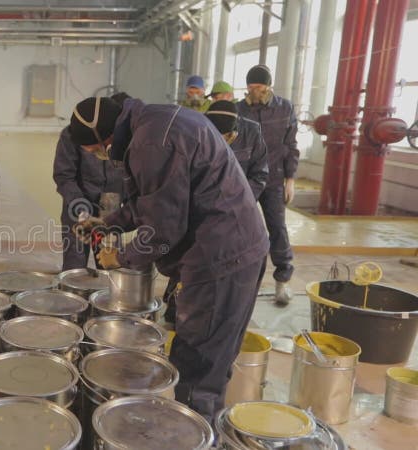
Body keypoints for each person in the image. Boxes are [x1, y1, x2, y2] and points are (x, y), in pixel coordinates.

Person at [69, 96, 268, 422]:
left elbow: (164, 231)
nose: (97, 157)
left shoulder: (151, 144)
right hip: (235, 247)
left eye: (94, 151)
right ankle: (205, 423)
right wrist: (108, 222)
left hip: (220, 259)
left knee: (197, 366)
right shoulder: (154, 121)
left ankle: (196, 433)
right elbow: (154, 201)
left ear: (103, 138)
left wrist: (119, 256)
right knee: (213, 360)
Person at [163, 100, 269, 323]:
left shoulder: (252, 134)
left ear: (232, 134)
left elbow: (260, 174)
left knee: (219, 268)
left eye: (221, 137)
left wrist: (237, 201)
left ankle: (208, 313)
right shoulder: (198, 134)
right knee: (187, 255)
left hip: (235, 215)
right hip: (200, 209)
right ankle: (175, 307)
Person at [236, 65, 299, 304]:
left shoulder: (285, 108)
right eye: (251, 87)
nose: (255, 92)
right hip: (246, 180)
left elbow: (290, 145)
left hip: (274, 179)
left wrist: (290, 179)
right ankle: (241, 279)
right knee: (239, 227)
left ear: (269, 86)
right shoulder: (239, 110)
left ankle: (282, 281)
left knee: (277, 227)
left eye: (259, 87)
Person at [53, 92, 128, 270]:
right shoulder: (75, 134)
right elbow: (64, 176)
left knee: (110, 263)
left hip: (111, 205)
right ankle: (72, 288)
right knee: (75, 264)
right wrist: (80, 208)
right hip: (78, 205)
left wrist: (124, 204)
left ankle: (108, 289)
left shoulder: (125, 137)